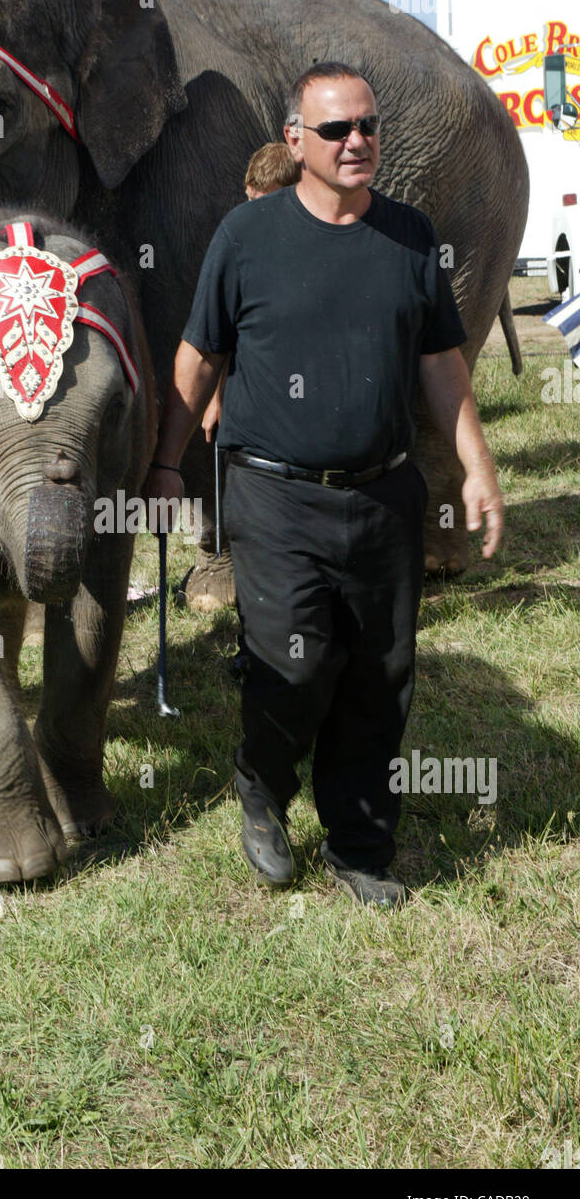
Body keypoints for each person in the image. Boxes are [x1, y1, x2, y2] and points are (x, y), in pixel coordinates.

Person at [144, 62, 504, 908]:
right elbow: (200, 358)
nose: (358, 142)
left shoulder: (412, 237)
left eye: (369, 126)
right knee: (295, 664)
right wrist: (163, 463)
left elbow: (442, 365)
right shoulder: (248, 237)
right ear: (295, 140)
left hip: (385, 494)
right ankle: (262, 784)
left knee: (380, 675)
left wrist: (478, 467)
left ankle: (359, 845)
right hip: (274, 494)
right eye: (337, 129)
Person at [202, 142, 300, 444]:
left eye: (266, 205)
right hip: (253, 406)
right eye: (250, 202)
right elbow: (223, 336)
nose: (255, 216)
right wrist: (215, 399)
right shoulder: (242, 250)